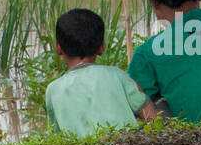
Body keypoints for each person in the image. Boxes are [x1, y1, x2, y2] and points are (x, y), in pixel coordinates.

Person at [45, 8, 159, 137]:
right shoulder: (117, 75)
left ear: (58, 48)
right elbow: (151, 115)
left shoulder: (53, 89)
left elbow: (56, 136)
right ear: (102, 47)